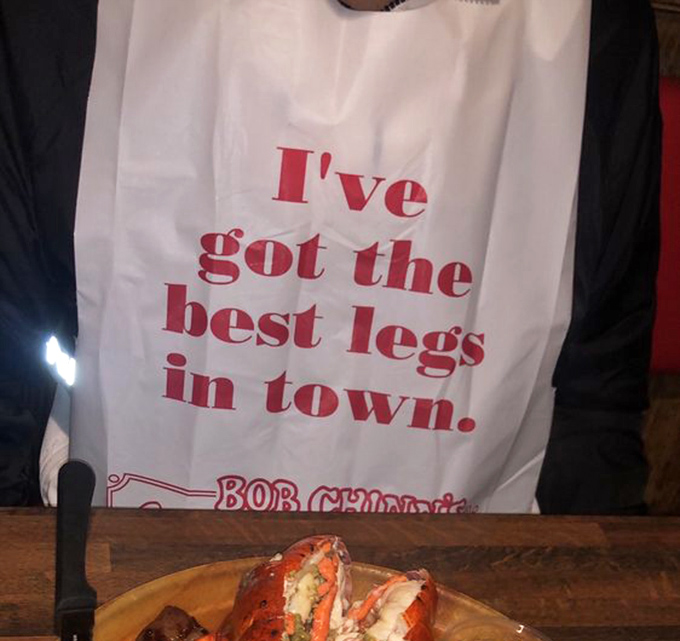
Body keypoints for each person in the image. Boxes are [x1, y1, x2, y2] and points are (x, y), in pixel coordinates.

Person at [0, 0, 660, 513]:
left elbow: (598, 394)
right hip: (128, 561)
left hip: (461, 582)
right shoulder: (60, 20)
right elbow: (12, 356)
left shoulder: (587, 29)